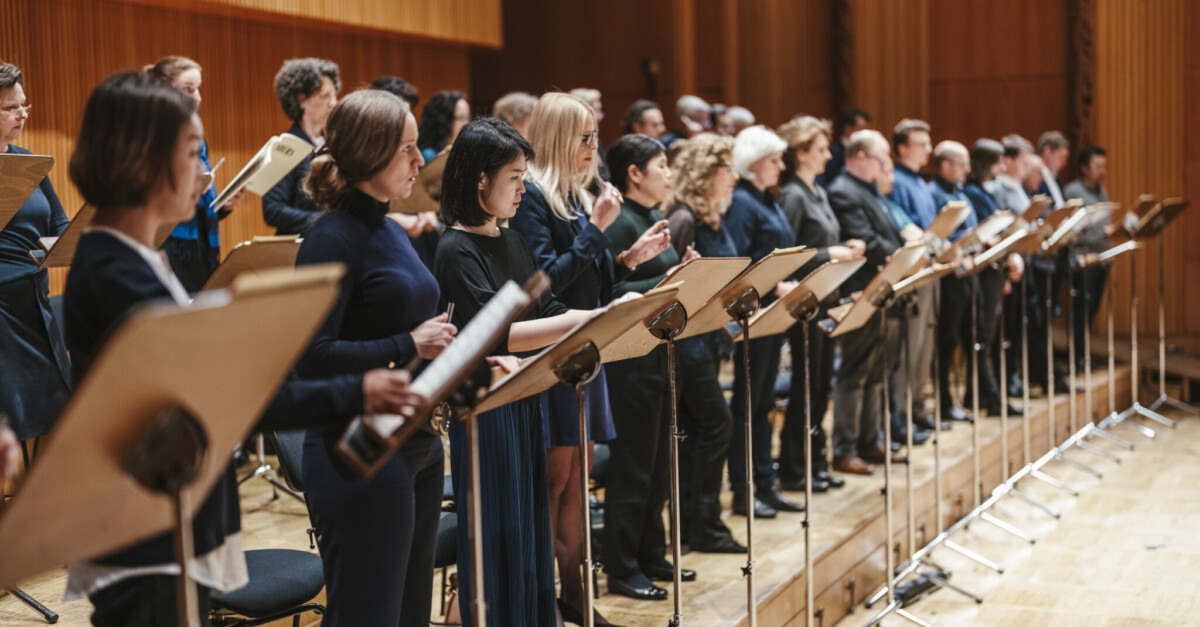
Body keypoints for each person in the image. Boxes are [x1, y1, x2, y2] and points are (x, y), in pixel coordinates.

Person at [62, 70, 424, 627]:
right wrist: (359, 387)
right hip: (145, 523)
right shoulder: (111, 270)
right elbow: (216, 397)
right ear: (138, 160)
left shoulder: (133, 258)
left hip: (168, 515)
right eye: (190, 153)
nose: (206, 175)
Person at [292, 89, 460, 626]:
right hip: (357, 450)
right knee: (368, 616)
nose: (419, 162)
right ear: (369, 154)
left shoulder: (388, 227)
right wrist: (409, 345)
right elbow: (311, 356)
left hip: (417, 442)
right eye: (407, 150)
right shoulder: (329, 237)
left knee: (410, 615)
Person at [434, 116, 600, 627]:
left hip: (522, 399)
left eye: (524, 175)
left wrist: (591, 319)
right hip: (482, 411)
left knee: (526, 531)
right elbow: (494, 332)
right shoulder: (454, 249)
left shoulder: (513, 241)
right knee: (493, 535)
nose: (523, 188)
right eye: (514, 177)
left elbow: (545, 311)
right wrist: (585, 320)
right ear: (480, 180)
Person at [509, 92, 671, 605]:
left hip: (587, 352)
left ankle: (578, 599)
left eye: (595, 136)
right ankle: (545, 597)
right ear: (558, 138)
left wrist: (625, 260)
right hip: (553, 352)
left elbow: (591, 289)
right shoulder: (532, 197)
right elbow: (544, 287)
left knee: (579, 479)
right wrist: (599, 231)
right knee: (555, 481)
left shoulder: (579, 197)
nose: (594, 146)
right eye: (585, 137)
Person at [602, 133, 701, 596]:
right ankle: (622, 566)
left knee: (660, 463)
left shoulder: (652, 216)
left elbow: (654, 281)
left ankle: (651, 553)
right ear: (634, 173)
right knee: (635, 465)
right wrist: (673, 277)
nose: (668, 172)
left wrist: (685, 273)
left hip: (660, 350)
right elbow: (610, 294)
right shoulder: (620, 222)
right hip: (630, 359)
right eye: (660, 164)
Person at [664, 134, 745, 553]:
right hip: (687, 345)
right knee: (717, 425)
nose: (733, 177)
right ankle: (704, 524)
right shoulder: (683, 220)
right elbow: (668, 291)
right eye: (725, 170)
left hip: (708, 342)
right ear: (704, 174)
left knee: (700, 431)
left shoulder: (714, 218)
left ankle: (693, 525)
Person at [775, 116, 864, 491]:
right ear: (801, 153)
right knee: (806, 386)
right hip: (804, 301)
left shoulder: (816, 189)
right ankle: (796, 468)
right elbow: (789, 252)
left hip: (825, 298)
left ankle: (816, 461)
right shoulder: (793, 195)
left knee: (820, 385)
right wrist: (835, 252)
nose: (829, 155)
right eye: (822, 149)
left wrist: (844, 250)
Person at [723, 125, 803, 516]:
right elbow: (738, 263)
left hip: (771, 311)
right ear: (754, 163)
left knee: (764, 400)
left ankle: (764, 481)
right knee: (748, 403)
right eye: (774, 160)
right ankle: (744, 488)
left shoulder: (766, 200)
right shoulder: (741, 202)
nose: (781, 166)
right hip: (751, 316)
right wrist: (774, 288)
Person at [0, 62, 71, 446]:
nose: (22, 114)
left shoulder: (29, 160)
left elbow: (58, 222)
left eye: (24, 105)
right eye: (11, 107)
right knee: (15, 419)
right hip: (1, 310)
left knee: (53, 411)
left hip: (35, 302)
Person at [828, 129, 906, 474]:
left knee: (877, 371)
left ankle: (869, 441)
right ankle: (844, 448)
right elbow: (866, 238)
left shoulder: (867, 190)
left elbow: (890, 230)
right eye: (881, 158)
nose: (885, 165)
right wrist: (901, 256)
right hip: (861, 290)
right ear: (860, 157)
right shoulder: (843, 191)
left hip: (880, 289)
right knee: (856, 371)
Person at [145, 55, 245, 292]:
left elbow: (202, 209)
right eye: (188, 89)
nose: (197, 97)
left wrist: (224, 205)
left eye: (198, 89)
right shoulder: (150, 138)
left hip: (203, 248)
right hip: (170, 247)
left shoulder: (198, 141)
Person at [887, 119, 944, 430]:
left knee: (926, 344)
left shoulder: (920, 181)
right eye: (922, 143)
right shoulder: (896, 181)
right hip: (913, 271)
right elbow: (903, 227)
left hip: (930, 266)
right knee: (913, 345)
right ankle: (905, 412)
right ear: (902, 147)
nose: (929, 149)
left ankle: (919, 408)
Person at [965, 139, 1025, 415]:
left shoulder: (985, 191)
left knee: (987, 334)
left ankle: (976, 394)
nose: (1003, 167)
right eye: (998, 161)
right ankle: (989, 396)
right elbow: (982, 233)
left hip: (996, 268)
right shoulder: (973, 192)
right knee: (983, 335)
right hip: (985, 271)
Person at [263, 57, 341, 235]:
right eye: (325, 96)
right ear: (302, 100)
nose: (334, 103)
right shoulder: (283, 148)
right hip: (300, 248)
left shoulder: (333, 144)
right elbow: (272, 210)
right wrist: (322, 220)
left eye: (334, 95)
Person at [1063, 145, 1111, 366]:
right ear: (1084, 168)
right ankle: (1078, 355)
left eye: (1104, 166)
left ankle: (1086, 353)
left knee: (1092, 308)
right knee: (1081, 307)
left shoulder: (1102, 192)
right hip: (1082, 257)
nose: (1102, 170)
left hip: (1102, 257)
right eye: (1097, 166)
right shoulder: (1073, 191)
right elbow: (1070, 229)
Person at [821, 107, 871, 186]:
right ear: (848, 128)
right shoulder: (834, 153)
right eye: (861, 129)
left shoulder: (866, 152)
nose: (865, 134)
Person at [417, 90, 470, 163]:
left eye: (467, 118)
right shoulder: (429, 155)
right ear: (445, 121)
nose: (466, 124)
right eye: (461, 118)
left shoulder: (463, 152)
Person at [1037, 131, 1070, 207]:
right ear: (1047, 151)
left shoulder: (1056, 178)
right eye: (1061, 157)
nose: (1065, 163)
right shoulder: (1035, 178)